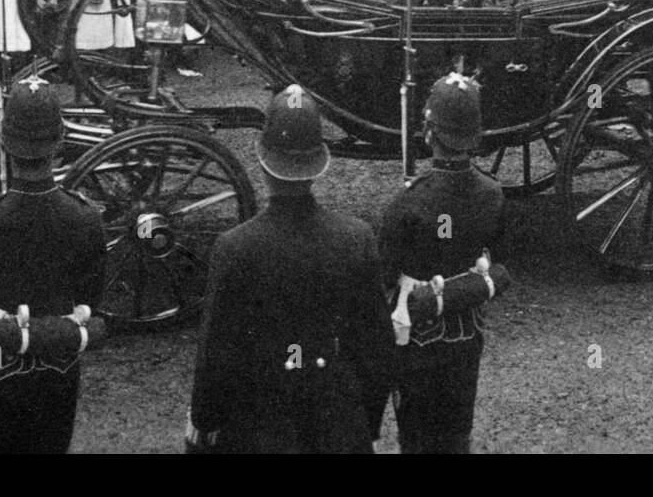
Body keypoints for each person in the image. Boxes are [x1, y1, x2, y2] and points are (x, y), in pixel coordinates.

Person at [187, 85, 394, 453]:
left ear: (262, 156)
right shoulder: (357, 238)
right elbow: (374, 344)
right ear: (320, 162)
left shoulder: (235, 247)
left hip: (258, 416)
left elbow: (217, 350)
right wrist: (368, 423)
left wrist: (206, 420)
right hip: (334, 411)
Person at [0, 77, 107, 454]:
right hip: (60, 365)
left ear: (4, 140)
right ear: (61, 140)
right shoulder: (86, 219)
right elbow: (90, 300)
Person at [378, 73, 506, 453]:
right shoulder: (493, 195)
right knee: (455, 432)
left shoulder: (408, 202)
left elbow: (385, 273)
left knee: (416, 438)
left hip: (417, 339)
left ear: (429, 134)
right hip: (467, 333)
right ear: (475, 137)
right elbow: (498, 259)